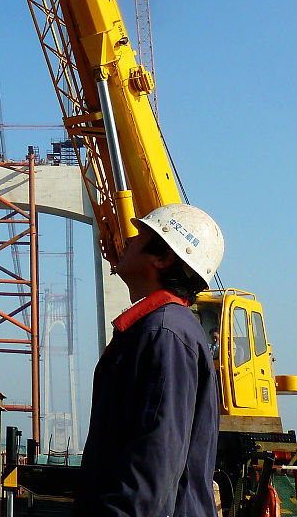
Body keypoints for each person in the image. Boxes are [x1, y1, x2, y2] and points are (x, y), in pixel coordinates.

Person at [73, 203, 224, 517]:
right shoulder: (162, 329)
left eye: (141, 234)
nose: (128, 239)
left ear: (163, 258)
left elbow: (155, 458)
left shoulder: (165, 334)